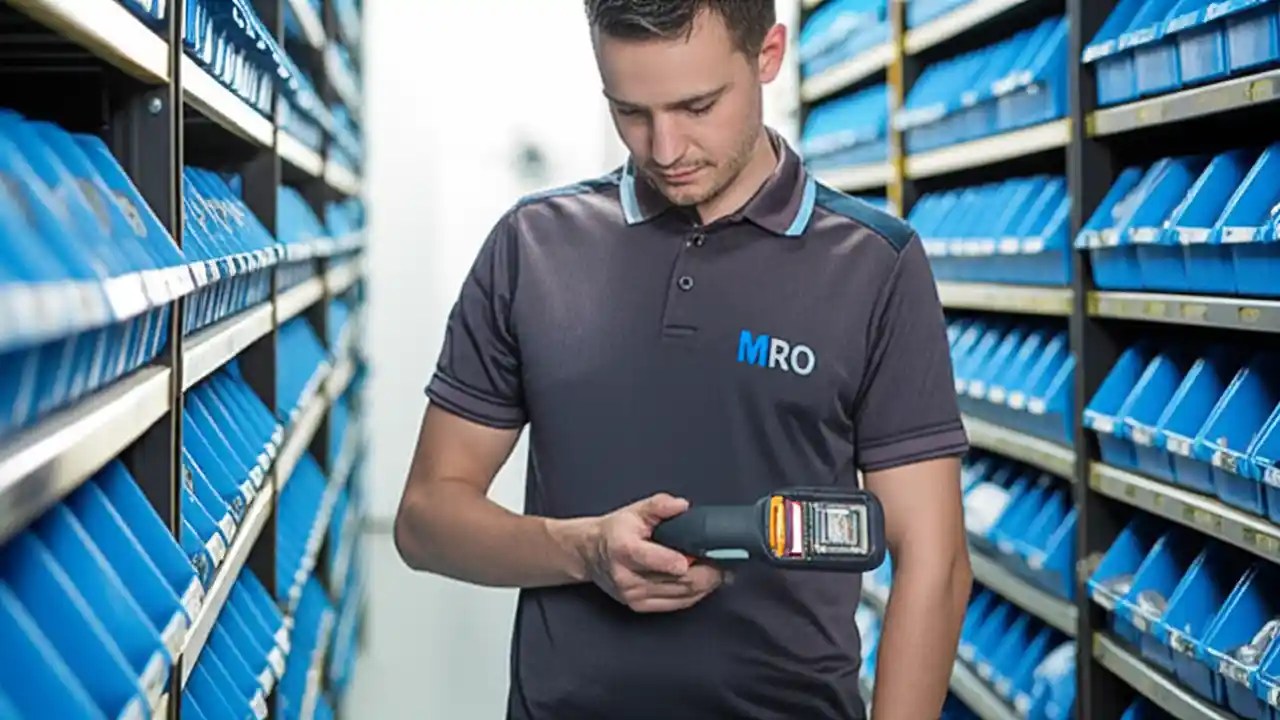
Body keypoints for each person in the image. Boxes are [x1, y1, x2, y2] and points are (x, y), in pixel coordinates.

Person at [393, 1, 973, 718]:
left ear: (767, 55)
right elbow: (425, 519)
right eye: (630, 111)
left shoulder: (875, 266)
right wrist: (584, 551)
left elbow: (934, 563)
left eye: (697, 106)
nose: (665, 148)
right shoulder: (531, 246)